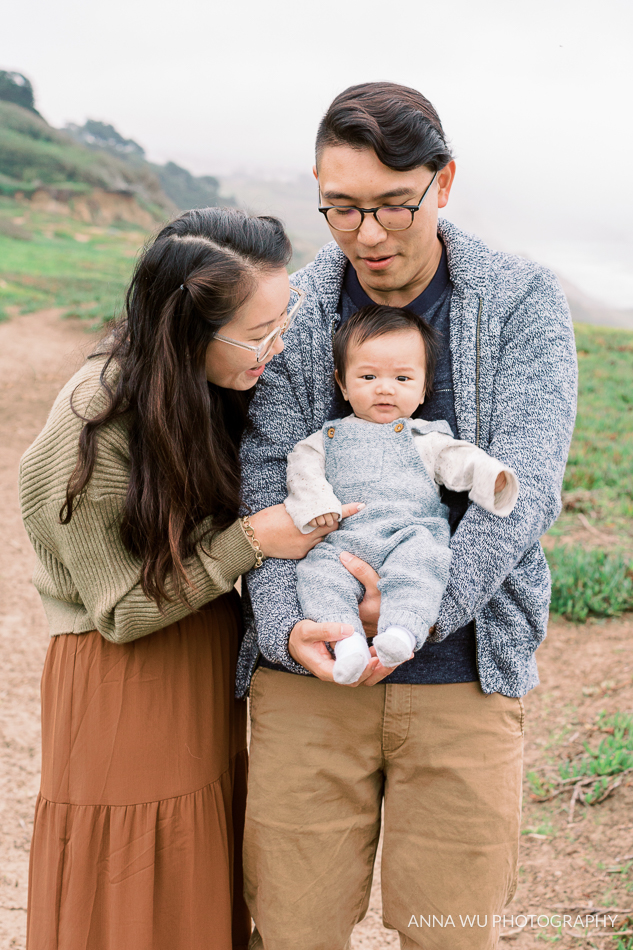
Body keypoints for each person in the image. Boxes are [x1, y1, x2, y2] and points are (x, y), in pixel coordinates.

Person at [238, 83, 578, 949]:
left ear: (444, 182)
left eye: (394, 204)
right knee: (292, 930)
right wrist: (288, 630)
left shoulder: (520, 300)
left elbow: (524, 487)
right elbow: (267, 474)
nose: (369, 234)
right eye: (341, 208)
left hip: (462, 677)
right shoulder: (294, 304)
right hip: (309, 682)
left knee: (450, 932)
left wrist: (423, 609)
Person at [19, 207, 359, 950]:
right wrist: (248, 542)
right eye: (256, 334)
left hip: (204, 652)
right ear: (185, 332)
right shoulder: (91, 422)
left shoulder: (210, 387)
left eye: (283, 320)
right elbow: (118, 612)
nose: (274, 346)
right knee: (131, 879)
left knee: (196, 861)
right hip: (122, 676)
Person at [285, 305, 519, 684]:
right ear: (342, 383)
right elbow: (302, 469)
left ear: (424, 387)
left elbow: (459, 460)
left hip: (408, 534)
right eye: (368, 375)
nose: (384, 387)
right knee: (318, 577)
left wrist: (491, 478)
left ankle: (402, 631)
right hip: (342, 541)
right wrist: (317, 505)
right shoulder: (326, 440)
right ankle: (348, 645)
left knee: (423, 566)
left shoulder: (425, 438)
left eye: (402, 378)